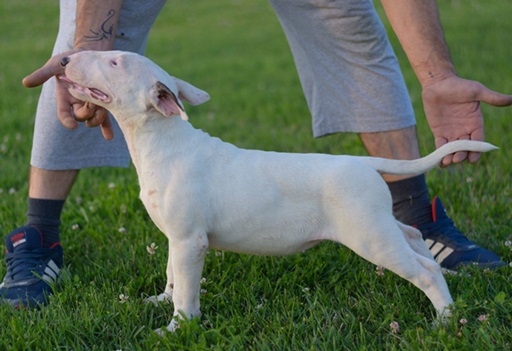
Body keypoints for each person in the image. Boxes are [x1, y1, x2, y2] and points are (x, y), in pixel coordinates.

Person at [2, 0, 511, 308]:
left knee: (347, 24)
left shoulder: (175, 148)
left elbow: (190, 239)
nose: (96, 66)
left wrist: (438, 75)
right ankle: (39, 233)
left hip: (335, 186)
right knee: (92, 30)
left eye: (115, 65)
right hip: (324, 179)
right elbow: (183, 235)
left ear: (163, 101)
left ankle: (432, 278)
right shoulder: (171, 160)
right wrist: (85, 53)